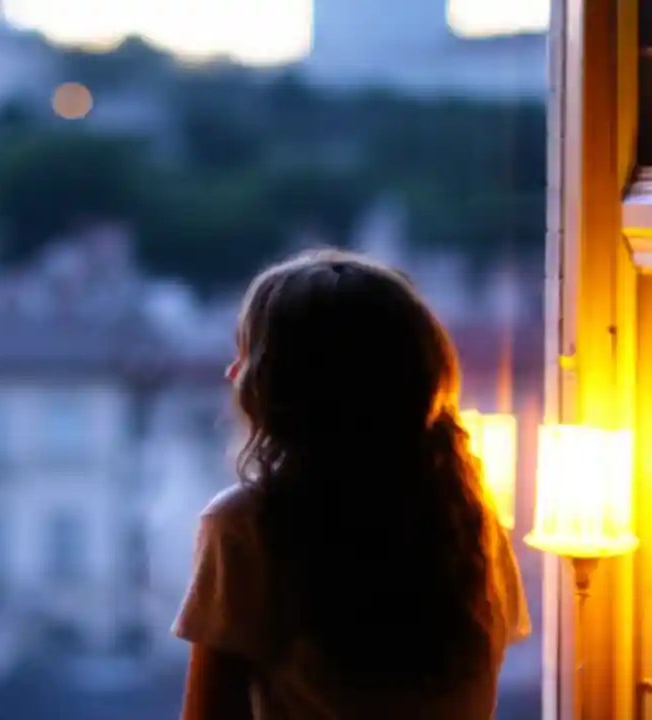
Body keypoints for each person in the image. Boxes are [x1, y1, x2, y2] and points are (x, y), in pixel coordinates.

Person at [174, 249, 530, 720]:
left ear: (283, 388)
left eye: (246, 355)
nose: (231, 373)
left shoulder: (248, 525)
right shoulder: (465, 518)